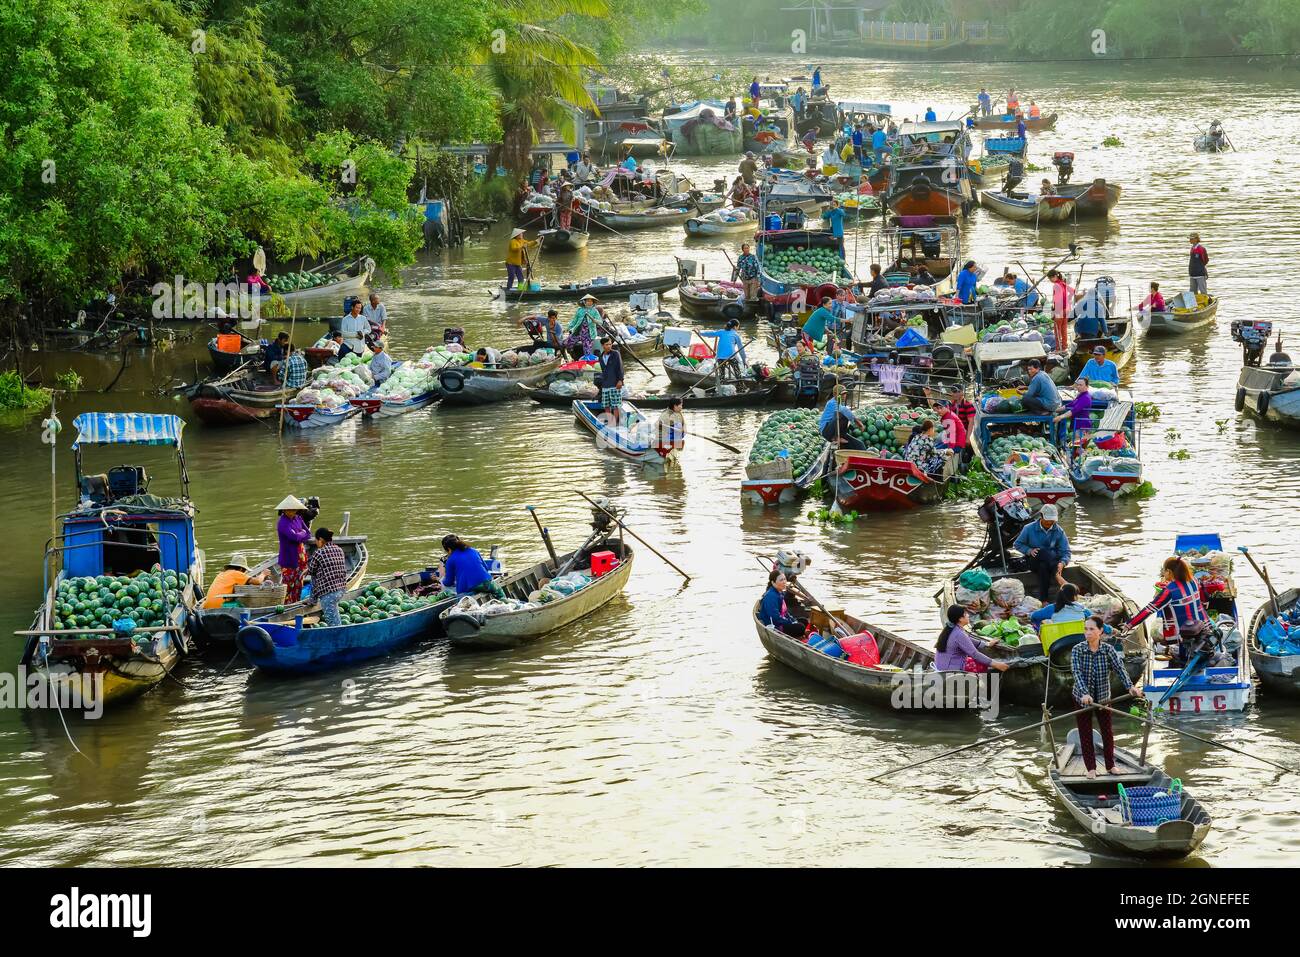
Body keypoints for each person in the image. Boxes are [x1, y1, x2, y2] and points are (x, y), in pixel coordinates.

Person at [1071, 616, 1144, 777]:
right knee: (1085, 733)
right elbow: (1076, 673)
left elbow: (1119, 669)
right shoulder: (1078, 649)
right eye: (1086, 629)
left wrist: (1130, 687)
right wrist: (1084, 693)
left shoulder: (1108, 650)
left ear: (1100, 631)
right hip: (1082, 698)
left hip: (1104, 698)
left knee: (1107, 732)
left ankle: (1110, 765)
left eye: (1092, 629)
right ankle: (1091, 768)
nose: (1088, 633)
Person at [1122, 556, 1214, 666]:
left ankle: (1184, 664)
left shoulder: (1170, 590)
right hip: (1203, 626)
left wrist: (1129, 624)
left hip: (1185, 632)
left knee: (1184, 656)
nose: (1163, 575)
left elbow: (1149, 609)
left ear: (1169, 571)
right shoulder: (1193, 580)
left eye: (1164, 571)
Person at [1014, 503, 1071, 600]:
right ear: (1041, 516)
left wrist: (1062, 563)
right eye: (1047, 520)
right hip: (1033, 560)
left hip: (1049, 563)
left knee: (1043, 566)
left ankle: (1044, 600)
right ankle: (1057, 575)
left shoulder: (1059, 531)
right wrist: (1029, 550)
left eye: (1052, 521)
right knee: (1042, 552)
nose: (1050, 523)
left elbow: (1066, 551)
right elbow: (1017, 544)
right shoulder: (1028, 528)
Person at [934, 605, 1010, 673]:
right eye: (965, 614)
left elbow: (969, 640)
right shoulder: (959, 634)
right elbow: (975, 654)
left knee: (980, 660)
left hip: (942, 665)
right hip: (949, 669)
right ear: (960, 619)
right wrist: (995, 664)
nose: (968, 616)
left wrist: (987, 644)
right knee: (983, 665)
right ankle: (978, 685)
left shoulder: (952, 629)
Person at [275, 495, 318, 602]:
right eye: (289, 510)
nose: (291, 512)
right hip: (289, 558)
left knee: (299, 583)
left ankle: (296, 603)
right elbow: (294, 537)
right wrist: (301, 533)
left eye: (294, 509)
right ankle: (285, 605)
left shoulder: (298, 518)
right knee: (288, 585)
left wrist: (300, 533)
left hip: (301, 557)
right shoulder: (283, 522)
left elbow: (308, 533)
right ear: (284, 510)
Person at [306, 527, 349, 627]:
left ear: (320, 540)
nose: (316, 543)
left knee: (333, 624)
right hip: (341, 590)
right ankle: (313, 600)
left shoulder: (319, 553)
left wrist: (305, 571)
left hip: (328, 594)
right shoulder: (339, 549)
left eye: (316, 540)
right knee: (335, 617)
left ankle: (312, 600)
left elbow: (311, 571)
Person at [202, 556, 266, 609]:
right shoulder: (236, 573)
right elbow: (258, 581)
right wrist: (263, 574)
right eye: (244, 570)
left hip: (206, 606)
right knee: (243, 607)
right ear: (241, 569)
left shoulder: (221, 574)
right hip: (219, 607)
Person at [760, 570, 807, 638]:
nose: (784, 582)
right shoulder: (771, 596)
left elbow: (785, 613)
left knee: (804, 620)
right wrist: (789, 622)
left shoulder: (780, 592)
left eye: (784, 579)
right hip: (775, 625)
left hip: (781, 620)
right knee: (801, 627)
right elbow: (775, 617)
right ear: (773, 583)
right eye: (781, 580)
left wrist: (792, 620)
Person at [819, 384, 865, 451]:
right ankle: (835, 438)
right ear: (835, 394)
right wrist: (858, 423)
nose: (844, 396)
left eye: (845, 394)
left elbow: (845, 409)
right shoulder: (831, 403)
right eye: (842, 394)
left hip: (838, 432)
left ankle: (840, 437)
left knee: (860, 445)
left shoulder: (840, 403)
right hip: (827, 431)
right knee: (841, 414)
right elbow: (844, 410)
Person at [596, 335, 625, 425]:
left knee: (615, 405)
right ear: (602, 345)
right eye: (607, 344)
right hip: (605, 384)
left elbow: (620, 368)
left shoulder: (615, 354)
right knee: (606, 405)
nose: (609, 346)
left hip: (614, 384)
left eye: (610, 344)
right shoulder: (601, 357)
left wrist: (620, 380)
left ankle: (614, 422)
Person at [1056, 377, 1093, 446]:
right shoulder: (1080, 396)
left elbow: (1074, 410)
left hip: (1082, 425)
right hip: (1077, 424)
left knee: (1078, 447)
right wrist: (1055, 410)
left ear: (1087, 387)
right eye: (1077, 385)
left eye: (1081, 385)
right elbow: (1069, 405)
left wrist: (1061, 417)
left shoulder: (1086, 398)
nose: (1078, 387)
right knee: (1077, 446)